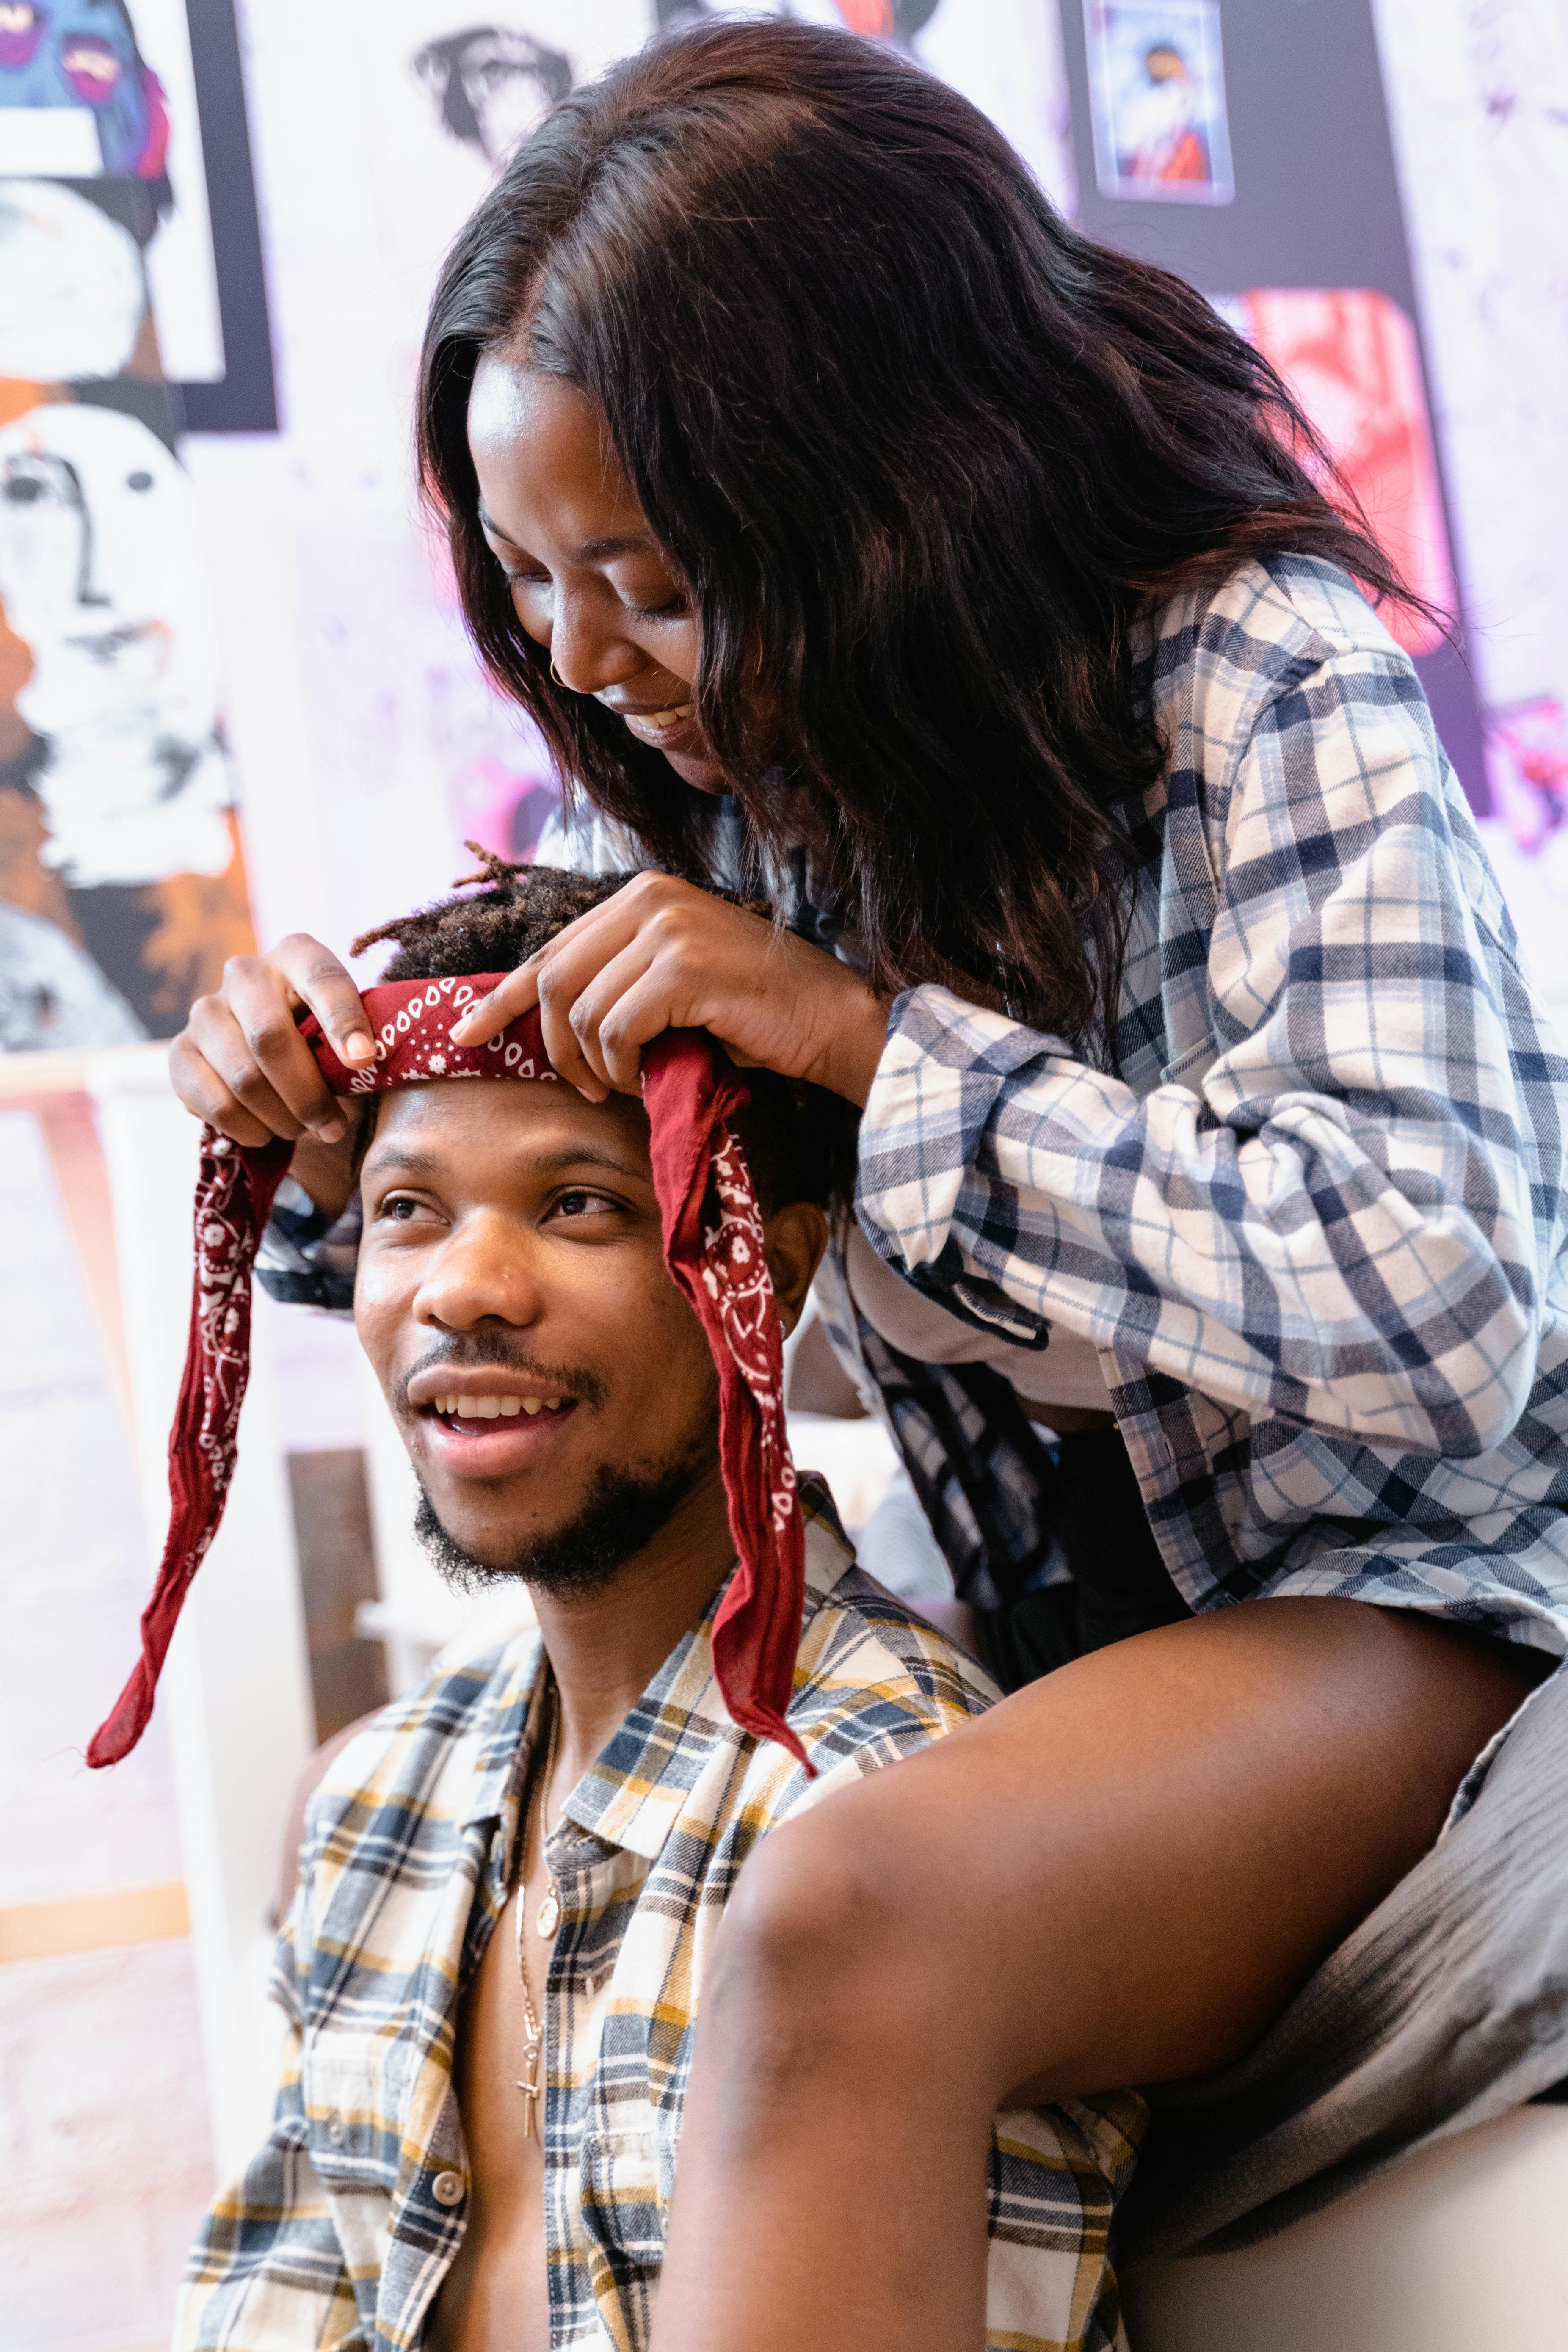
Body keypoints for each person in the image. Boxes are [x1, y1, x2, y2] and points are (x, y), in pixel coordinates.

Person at [168, 22, 1568, 2348]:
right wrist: (320, 1128)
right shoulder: (748, 785)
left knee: (841, 1910)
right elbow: (738, 1273)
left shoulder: (1254, 669)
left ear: (875, 500)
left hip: (1420, 1603)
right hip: (1046, 1628)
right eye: (529, 583)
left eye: (647, 578)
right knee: (492, 1850)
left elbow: (1428, 1303)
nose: (590, 668)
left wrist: (862, 1046)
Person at [172, 859, 1143, 2352]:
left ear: (775, 1270)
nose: (467, 1287)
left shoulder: (893, 1821)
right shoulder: (378, 1806)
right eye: (408, 1210)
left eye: (580, 1205)